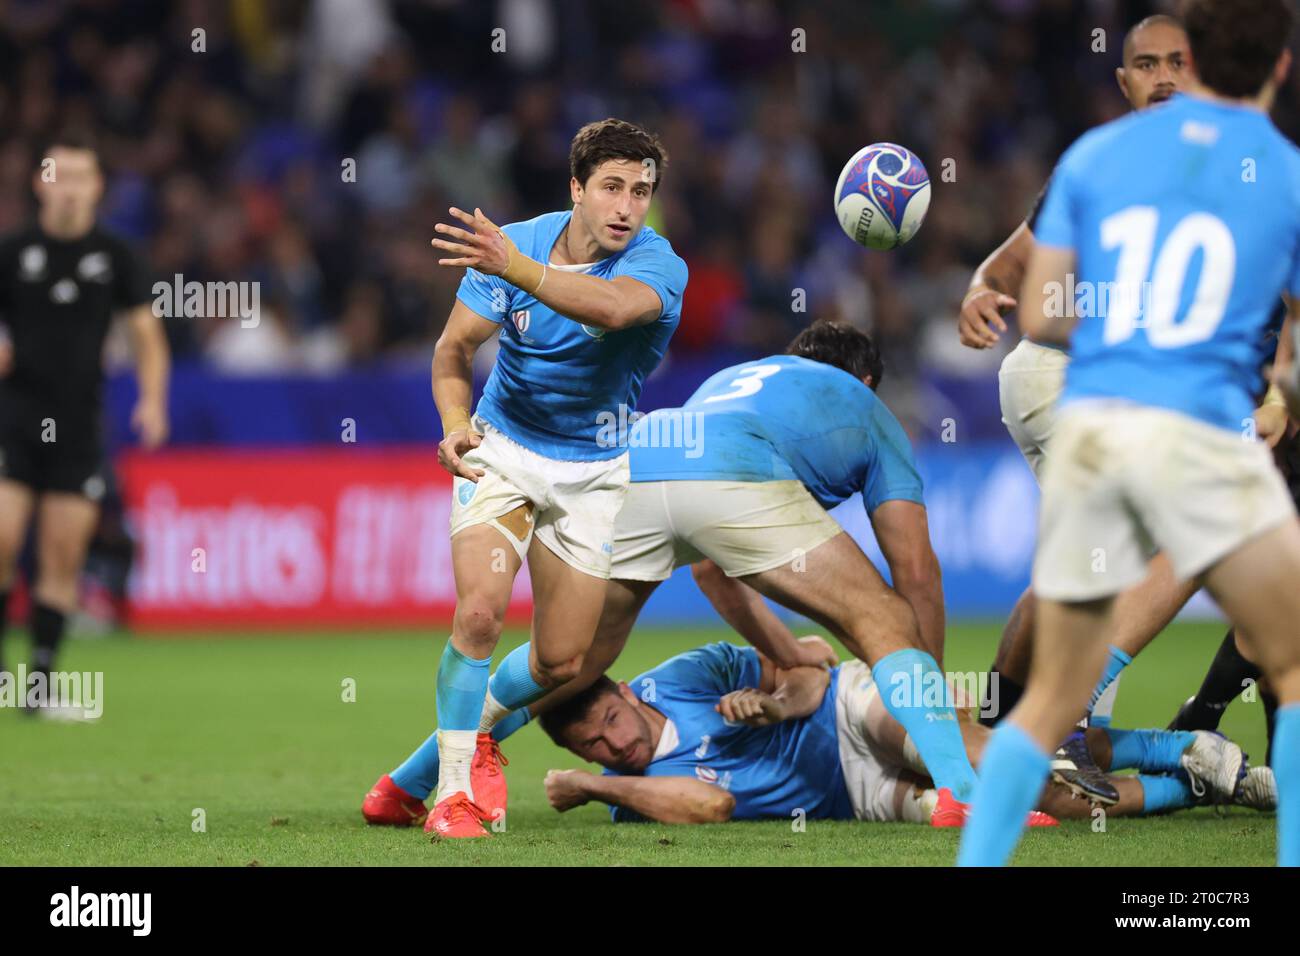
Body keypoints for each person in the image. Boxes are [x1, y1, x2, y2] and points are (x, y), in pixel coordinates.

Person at [367, 321, 988, 829]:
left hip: (641, 458)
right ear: (868, 383)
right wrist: (935, 716)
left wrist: (785, 651)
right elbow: (917, 572)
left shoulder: (736, 380)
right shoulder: (869, 411)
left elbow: (715, 566)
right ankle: (961, 793)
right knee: (883, 618)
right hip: (727, 470)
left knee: (569, 662)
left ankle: (406, 785)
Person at [958, 0, 1300, 867]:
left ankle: (1026, 735)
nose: (1163, 79)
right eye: (1148, 65)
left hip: (1095, 417)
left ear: (1198, 65)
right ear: (1278, 71)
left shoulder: (1097, 157)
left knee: (1049, 701)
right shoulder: (1276, 170)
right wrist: (1272, 394)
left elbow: (1036, 304)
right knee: (1288, 667)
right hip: (1190, 413)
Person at [421, 117, 688, 838]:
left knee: (561, 659)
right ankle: (452, 796)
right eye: (611, 187)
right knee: (478, 613)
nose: (628, 206)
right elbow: (453, 352)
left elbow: (608, 307)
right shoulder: (517, 245)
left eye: (641, 190)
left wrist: (513, 267)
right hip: (503, 447)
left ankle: (462, 739)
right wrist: (453, 422)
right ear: (576, 188)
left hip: (593, 469)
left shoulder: (659, 266)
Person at [537, 642, 1273, 826]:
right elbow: (714, 807)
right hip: (854, 793)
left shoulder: (686, 676)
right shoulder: (628, 791)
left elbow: (812, 666)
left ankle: (1179, 746)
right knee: (1052, 802)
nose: (613, 746)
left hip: (847, 708)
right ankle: (1200, 781)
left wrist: (775, 704)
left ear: (626, 689)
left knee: (960, 750)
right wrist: (595, 787)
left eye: (609, 721)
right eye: (591, 749)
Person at [0, 129, 169, 709]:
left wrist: (152, 400)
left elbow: (147, 335)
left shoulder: (117, 257)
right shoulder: (11, 251)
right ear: (38, 184)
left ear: (97, 186)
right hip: (12, 421)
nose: (68, 190)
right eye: (57, 177)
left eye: (79, 177)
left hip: (79, 425)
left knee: (61, 554)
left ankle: (39, 685)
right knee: (2, 539)